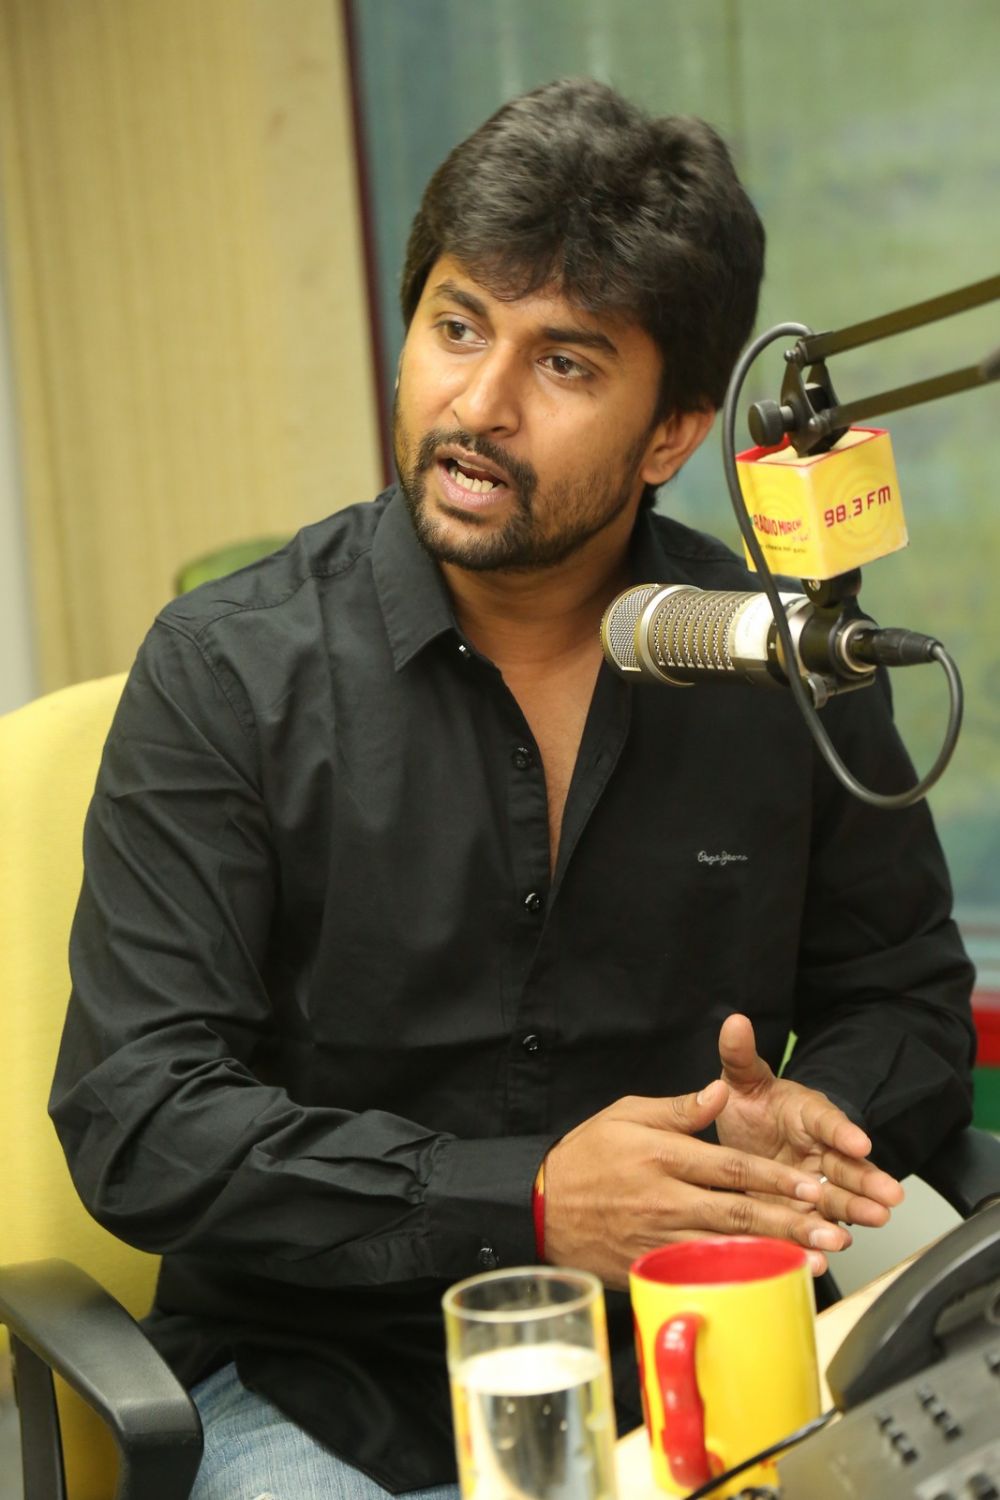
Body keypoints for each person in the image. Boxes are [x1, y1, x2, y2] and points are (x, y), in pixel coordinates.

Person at [51, 78, 975, 1499]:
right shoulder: (228, 671)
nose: (477, 406)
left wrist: (808, 1127)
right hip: (325, 1384)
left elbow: (904, 996)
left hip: (694, 1352)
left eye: (565, 364)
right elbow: (141, 1114)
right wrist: (529, 1198)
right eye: (458, 326)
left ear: (672, 433)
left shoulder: (783, 660)